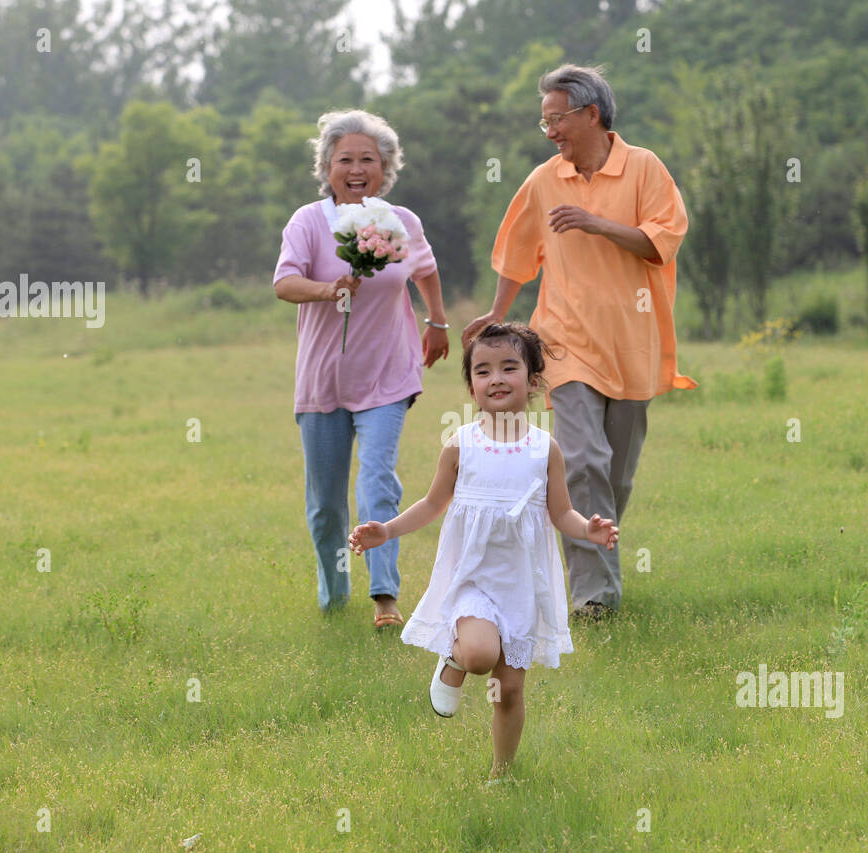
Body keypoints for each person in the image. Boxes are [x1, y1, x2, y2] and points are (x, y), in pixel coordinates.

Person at [462, 64, 695, 622]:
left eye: (557, 120)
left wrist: (597, 223)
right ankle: (595, 598)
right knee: (583, 462)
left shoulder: (643, 168)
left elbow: (662, 239)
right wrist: (496, 314)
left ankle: (596, 548)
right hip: (564, 342)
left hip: (633, 341)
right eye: (543, 123)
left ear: (591, 114)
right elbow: (518, 250)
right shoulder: (544, 180)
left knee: (616, 475)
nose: (550, 133)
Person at [348, 324, 618, 778]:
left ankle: (501, 773)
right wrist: (387, 531)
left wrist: (587, 530)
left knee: (510, 689)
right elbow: (434, 504)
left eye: (509, 368)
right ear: (471, 386)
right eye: (483, 370)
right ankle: (453, 660)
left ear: (533, 380)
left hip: (522, 584)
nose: (496, 378)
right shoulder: (461, 446)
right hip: (474, 578)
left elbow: (561, 513)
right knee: (478, 654)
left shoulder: (544, 449)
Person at [274, 109, 452, 628]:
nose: (356, 168)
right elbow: (284, 283)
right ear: (327, 167)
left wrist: (437, 322)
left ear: (385, 167)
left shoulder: (401, 220)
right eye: (344, 159)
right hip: (323, 380)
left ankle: (385, 598)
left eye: (367, 159)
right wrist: (328, 289)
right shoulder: (307, 221)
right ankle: (333, 596)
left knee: (377, 482)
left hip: (387, 375)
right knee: (326, 503)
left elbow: (426, 270)